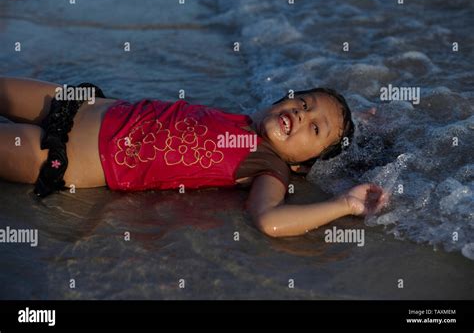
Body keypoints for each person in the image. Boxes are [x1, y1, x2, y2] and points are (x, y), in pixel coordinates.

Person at [0, 77, 389, 237]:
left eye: (315, 129)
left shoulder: (268, 166)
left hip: (68, 155)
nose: (302, 115)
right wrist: (360, 121)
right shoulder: (244, 119)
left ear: (302, 165)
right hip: (81, 104)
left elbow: (270, 220)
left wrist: (344, 204)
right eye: (303, 103)